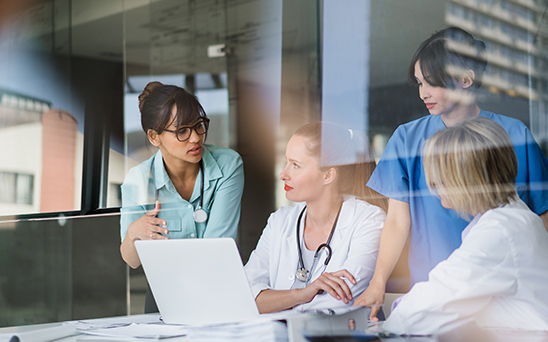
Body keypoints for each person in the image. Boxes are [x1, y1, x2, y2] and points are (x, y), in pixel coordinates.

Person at [354, 27, 548, 328]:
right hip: (439, 296)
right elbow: (396, 221)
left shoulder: (512, 136)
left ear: (465, 80)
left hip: (503, 302)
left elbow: (547, 215)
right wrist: (378, 282)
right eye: (419, 83)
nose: (423, 93)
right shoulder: (407, 139)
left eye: (432, 83)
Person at [384, 117, 548, 334]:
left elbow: (425, 306)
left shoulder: (499, 231)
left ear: (467, 181)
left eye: (440, 181)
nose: (435, 189)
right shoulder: (511, 218)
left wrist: (388, 322)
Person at [120, 82, 244, 312]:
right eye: (182, 131)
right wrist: (133, 234)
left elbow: (216, 247)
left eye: (198, 126)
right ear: (154, 137)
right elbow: (132, 260)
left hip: (215, 289)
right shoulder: (138, 179)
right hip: (163, 295)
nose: (196, 138)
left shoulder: (228, 165)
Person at [244, 122, 386, 313]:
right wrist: (302, 294)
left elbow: (340, 300)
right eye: (286, 162)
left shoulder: (368, 221)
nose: (283, 174)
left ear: (328, 175)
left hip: (336, 339)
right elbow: (245, 296)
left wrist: (274, 301)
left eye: (296, 165)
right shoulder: (279, 221)